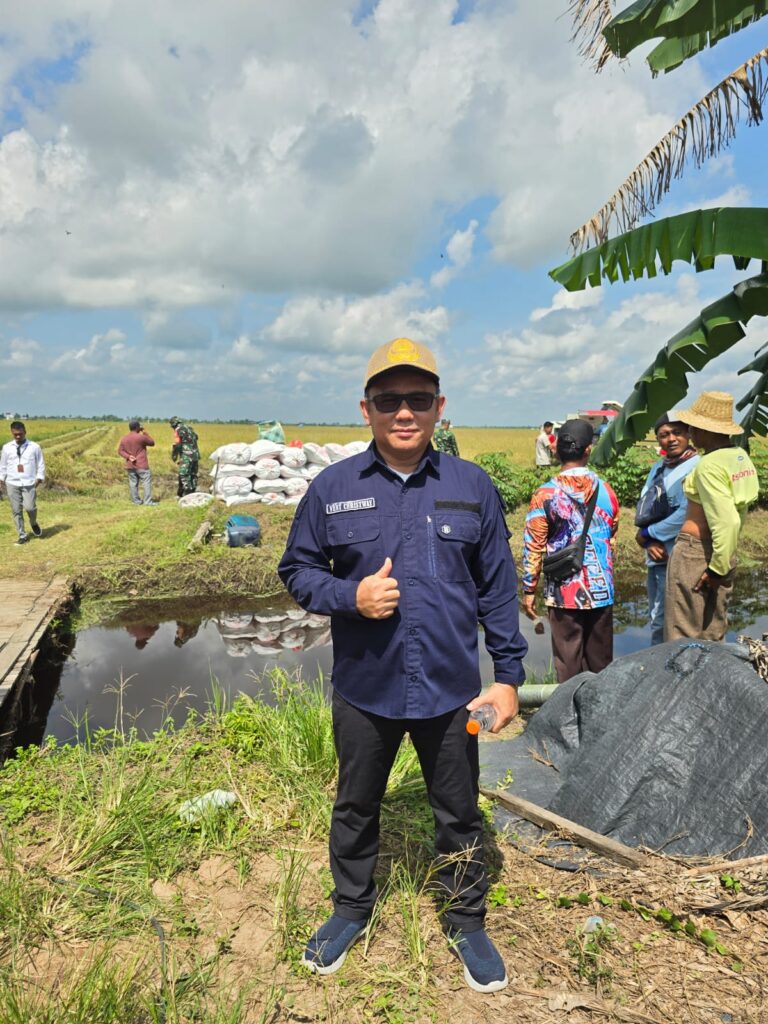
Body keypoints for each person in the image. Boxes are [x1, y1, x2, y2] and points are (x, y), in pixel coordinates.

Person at [279, 336, 527, 992]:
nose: (405, 412)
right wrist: (349, 596)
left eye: (418, 399)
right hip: (366, 685)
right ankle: (351, 909)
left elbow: (498, 587)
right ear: (367, 409)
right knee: (356, 804)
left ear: (439, 406)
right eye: (390, 400)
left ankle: (466, 919)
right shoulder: (332, 489)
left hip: (451, 691)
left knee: (458, 809)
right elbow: (298, 570)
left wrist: (507, 678)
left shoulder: (471, 487)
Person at [521, 419, 619, 683]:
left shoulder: (545, 494)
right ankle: (598, 717)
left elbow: (534, 544)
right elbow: (612, 534)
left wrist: (529, 589)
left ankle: (570, 718)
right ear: (588, 450)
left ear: (556, 450)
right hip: (601, 589)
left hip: (564, 591)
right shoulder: (607, 491)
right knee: (600, 665)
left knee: (568, 664)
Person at [664, 392, 759, 642]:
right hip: (724, 552)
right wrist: (722, 562)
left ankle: (682, 683)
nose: (691, 433)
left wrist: (715, 570)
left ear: (707, 430)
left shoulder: (708, 465)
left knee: (682, 638)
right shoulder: (740, 457)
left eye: (693, 428)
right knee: (713, 633)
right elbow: (738, 512)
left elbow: (727, 520)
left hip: (696, 555)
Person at [634, 415, 699, 645]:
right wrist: (649, 541)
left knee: (676, 622)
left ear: (689, 434)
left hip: (680, 556)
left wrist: (649, 534)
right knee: (657, 619)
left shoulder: (697, 466)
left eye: (677, 433)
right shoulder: (658, 468)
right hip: (655, 556)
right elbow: (645, 506)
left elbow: (686, 513)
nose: (671, 439)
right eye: (664, 435)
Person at [0, 420, 45, 545]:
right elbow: (3, 465)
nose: (18, 436)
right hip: (12, 482)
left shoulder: (34, 447)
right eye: (15, 434)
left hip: (29, 482)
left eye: (20, 434)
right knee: (16, 510)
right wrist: (1, 479)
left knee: (30, 508)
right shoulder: (7, 447)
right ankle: (22, 535)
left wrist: (39, 478)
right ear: (12, 433)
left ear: (25, 432)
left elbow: (40, 463)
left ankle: (33, 523)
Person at [117, 420, 158, 506]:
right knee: (146, 482)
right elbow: (152, 442)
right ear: (137, 427)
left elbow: (120, 451)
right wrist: (144, 432)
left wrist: (128, 456)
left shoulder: (124, 438)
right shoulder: (141, 437)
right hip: (142, 465)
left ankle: (136, 501)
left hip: (130, 465)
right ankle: (148, 502)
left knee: (133, 483)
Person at [169, 416, 200, 496]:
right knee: (193, 474)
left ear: (174, 424)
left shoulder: (178, 429)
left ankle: (187, 492)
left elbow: (177, 444)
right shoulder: (189, 428)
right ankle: (192, 490)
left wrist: (174, 455)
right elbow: (196, 437)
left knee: (184, 474)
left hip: (186, 455)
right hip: (195, 455)